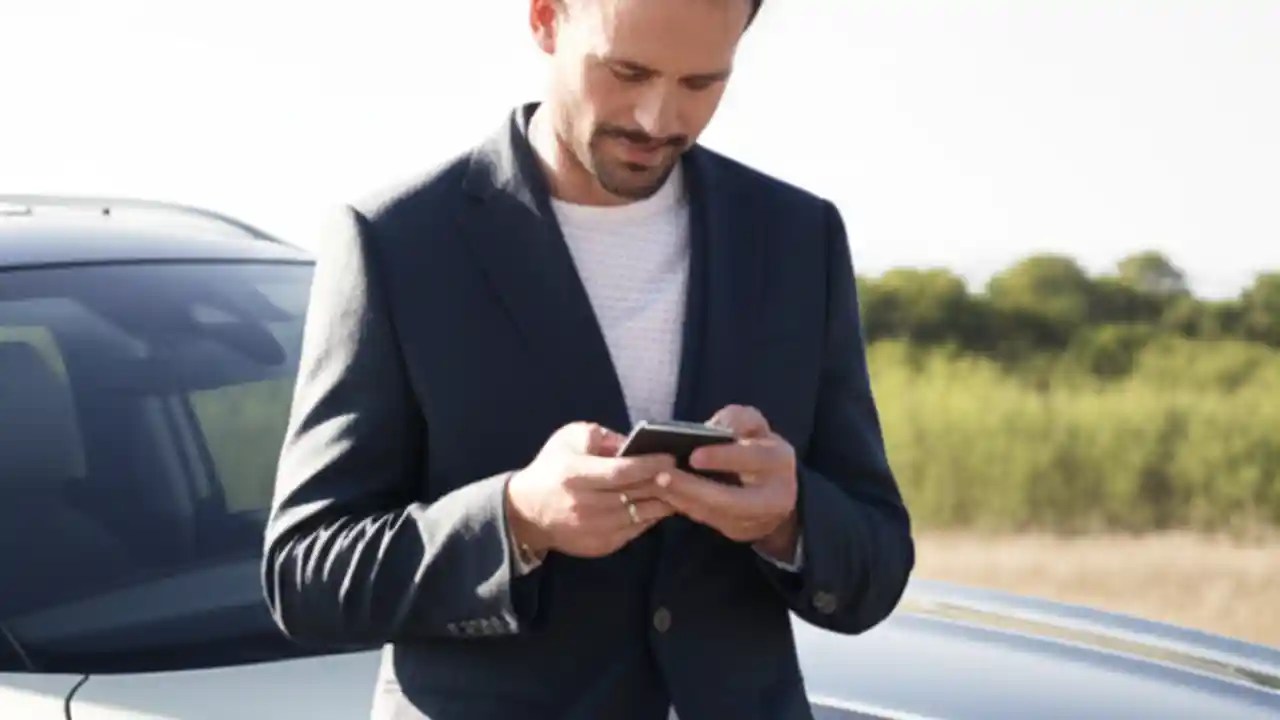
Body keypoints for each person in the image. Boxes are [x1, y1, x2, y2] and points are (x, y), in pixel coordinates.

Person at [261, 0, 915, 718]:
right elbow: (307, 575)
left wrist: (788, 518)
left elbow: (876, 568)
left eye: (701, 83)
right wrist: (516, 520)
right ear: (545, 20)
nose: (656, 118)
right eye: (627, 71)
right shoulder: (395, 244)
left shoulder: (798, 238)